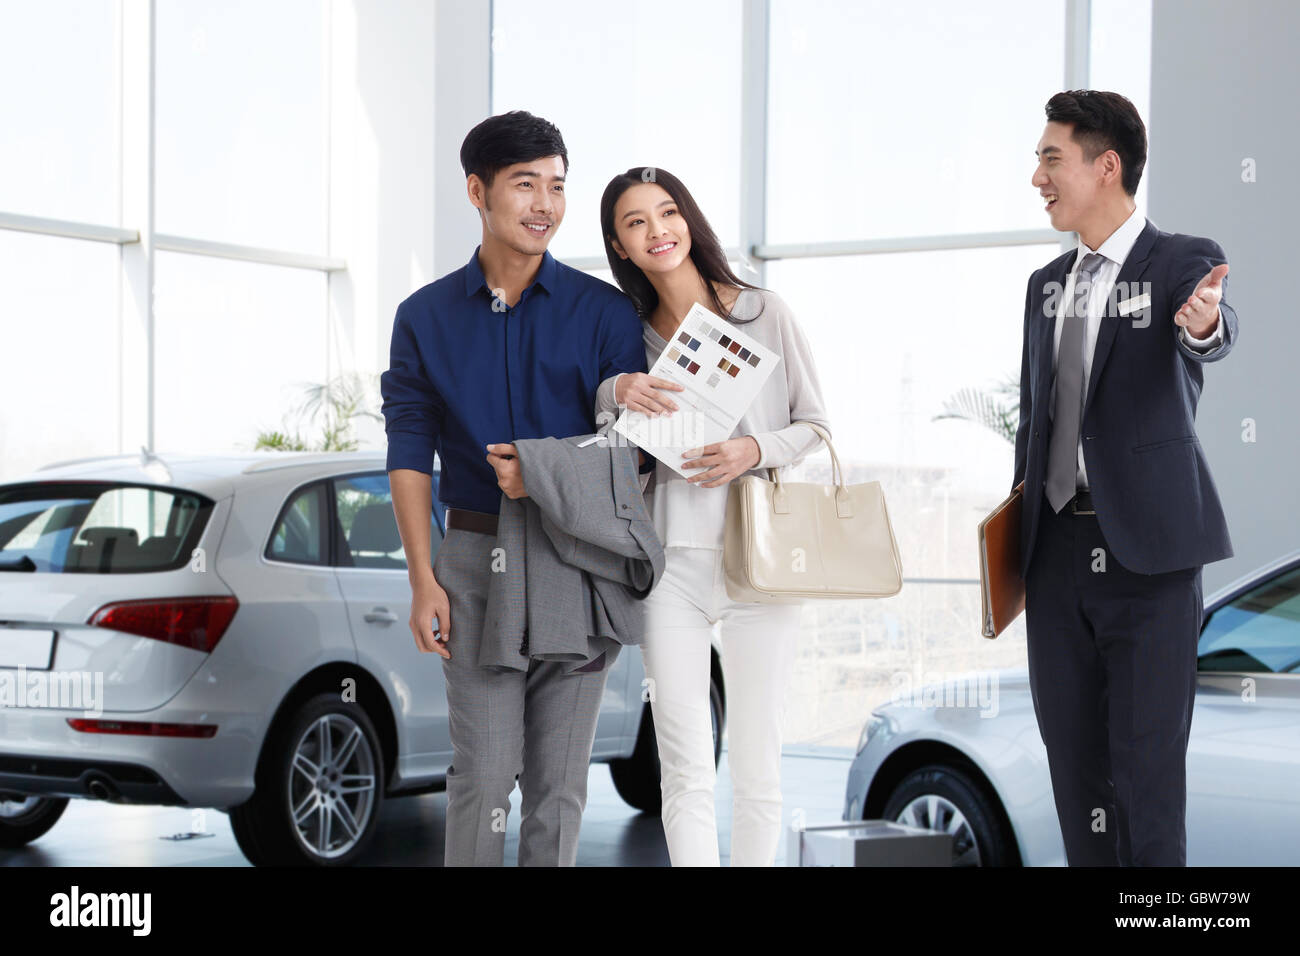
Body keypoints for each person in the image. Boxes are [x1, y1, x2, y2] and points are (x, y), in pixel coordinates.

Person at [380, 111, 653, 866]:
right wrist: (421, 574)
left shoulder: (606, 314)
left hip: (579, 556)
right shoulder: (424, 317)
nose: (545, 205)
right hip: (471, 557)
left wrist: (545, 469)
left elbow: (631, 453)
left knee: (560, 784)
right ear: (478, 190)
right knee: (484, 775)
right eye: (525, 184)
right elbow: (409, 449)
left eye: (558, 186)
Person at [1013, 90, 1238, 866]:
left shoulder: (1180, 262)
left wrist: (1204, 323)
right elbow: (1033, 421)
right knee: (1077, 780)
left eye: (1051, 158)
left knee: (1146, 783)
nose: (1036, 176)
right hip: (1055, 560)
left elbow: (1207, 330)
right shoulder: (1045, 284)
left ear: (1106, 166)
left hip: (1147, 558)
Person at [594, 166, 831, 866]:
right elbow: (606, 428)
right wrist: (616, 389)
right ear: (622, 246)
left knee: (758, 766)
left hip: (761, 560)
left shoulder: (763, 311)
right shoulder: (629, 339)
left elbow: (816, 426)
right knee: (686, 766)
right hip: (675, 566)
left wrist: (749, 449)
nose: (657, 231)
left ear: (689, 221)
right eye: (637, 223)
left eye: (667, 213)